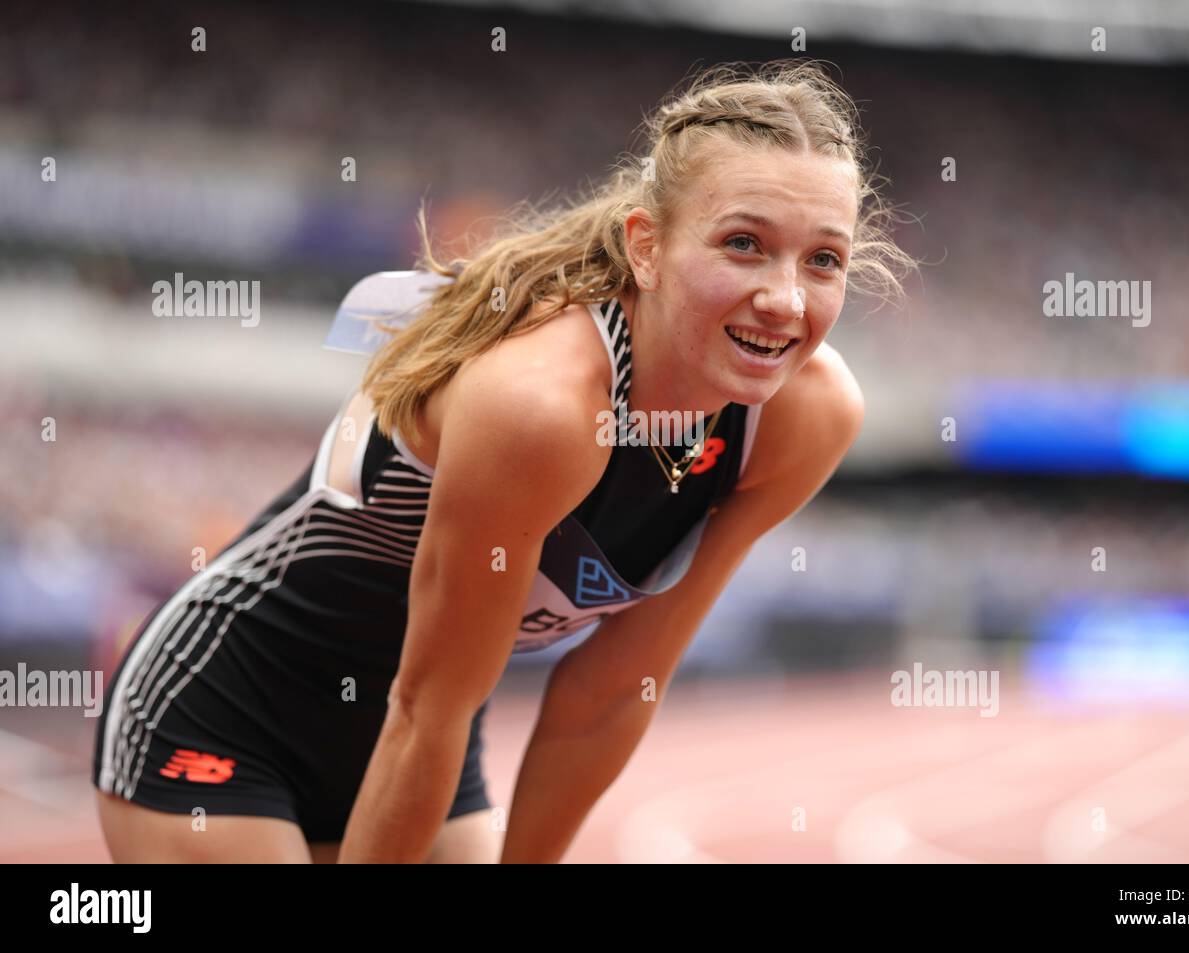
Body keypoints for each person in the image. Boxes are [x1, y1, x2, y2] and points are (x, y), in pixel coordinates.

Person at [92, 58, 915, 863]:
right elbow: (424, 712)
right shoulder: (543, 407)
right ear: (647, 247)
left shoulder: (805, 417)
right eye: (744, 243)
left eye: (824, 260)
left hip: (425, 739)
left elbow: (612, 689)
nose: (786, 300)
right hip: (231, 710)